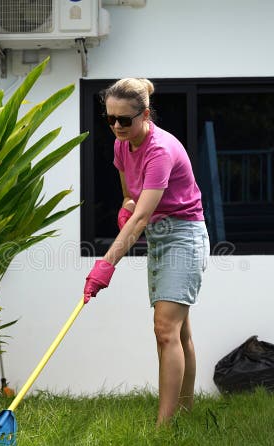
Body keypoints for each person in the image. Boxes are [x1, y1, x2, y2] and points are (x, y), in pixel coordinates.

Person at [82, 77, 210, 426]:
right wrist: (125, 205)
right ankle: (183, 414)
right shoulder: (122, 147)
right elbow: (132, 200)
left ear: (146, 114)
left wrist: (105, 265)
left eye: (125, 120)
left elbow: (140, 217)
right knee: (178, 332)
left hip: (183, 236)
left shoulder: (159, 150)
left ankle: (163, 428)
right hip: (158, 235)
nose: (117, 127)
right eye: (110, 119)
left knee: (165, 329)